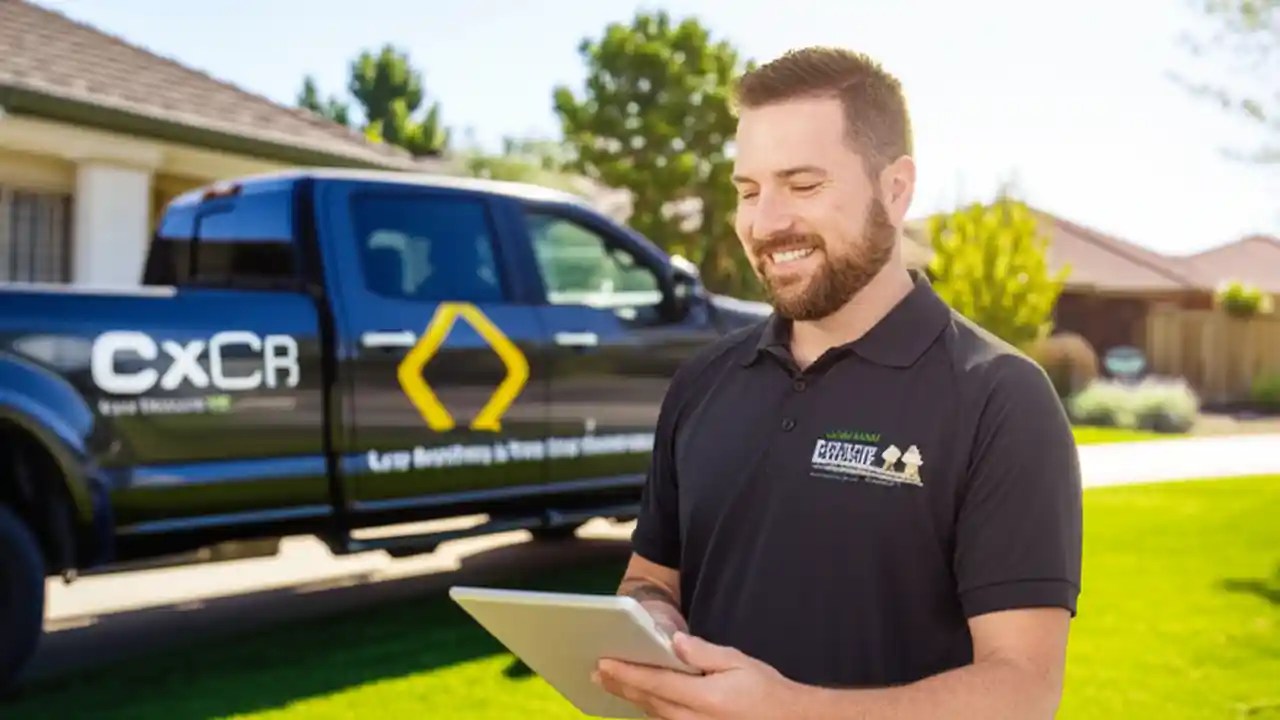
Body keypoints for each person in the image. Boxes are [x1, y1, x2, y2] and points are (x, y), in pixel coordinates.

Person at [593, 45, 1083, 719]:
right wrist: (653, 622)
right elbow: (651, 576)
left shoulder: (1000, 399)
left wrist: (788, 710)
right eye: (748, 191)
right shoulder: (703, 382)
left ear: (896, 188)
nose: (765, 223)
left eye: (803, 185)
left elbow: (1024, 691)